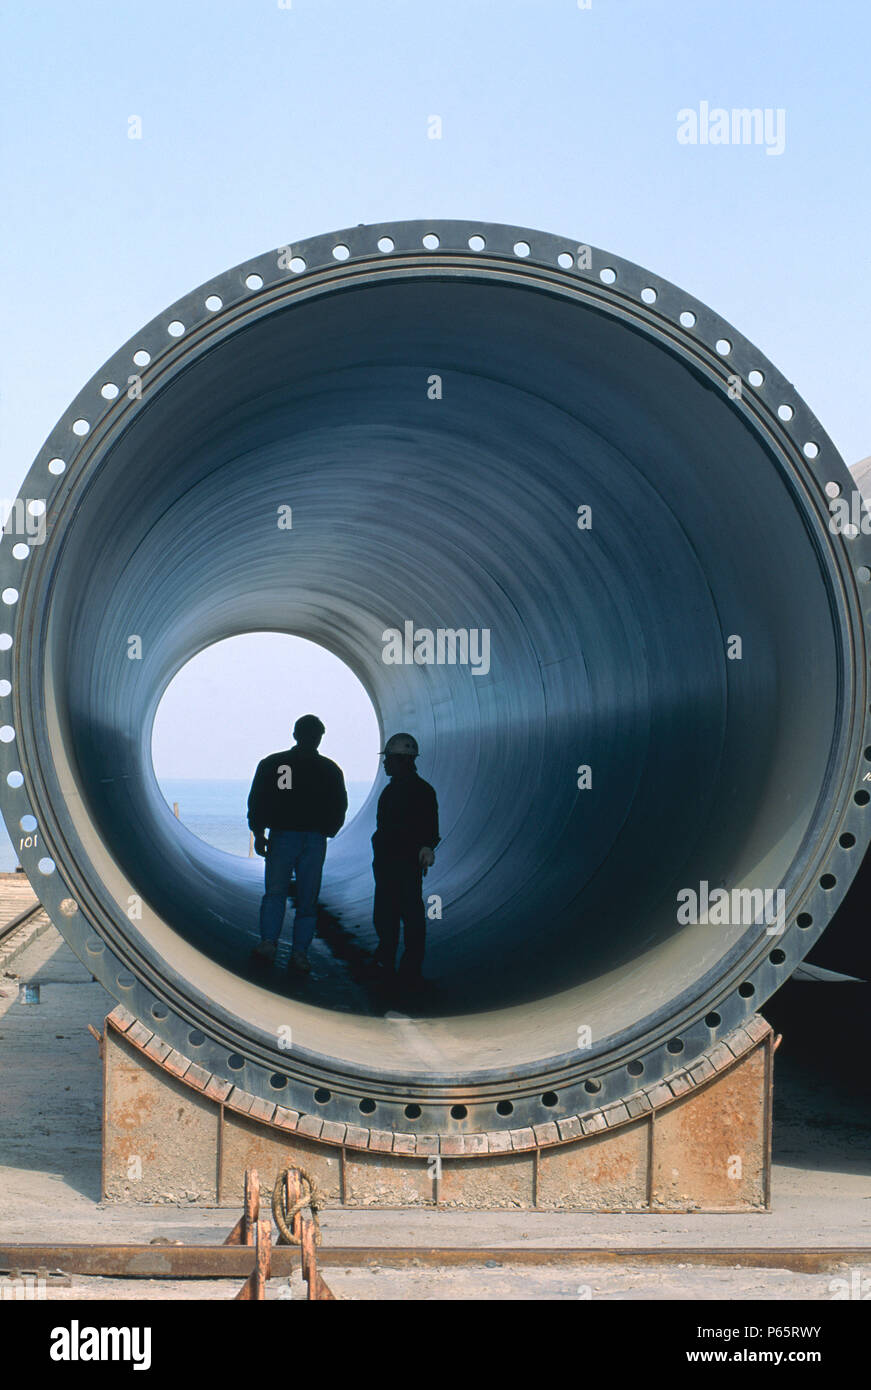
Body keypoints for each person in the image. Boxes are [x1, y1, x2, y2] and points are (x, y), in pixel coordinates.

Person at [247, 714, 347, 972]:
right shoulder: (329, 769)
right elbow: (339, 805)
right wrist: (328, 830)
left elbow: (259, 799)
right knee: (307, 900)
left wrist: (259, 833)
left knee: (275, 893)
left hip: (284, 836)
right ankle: (299, 953)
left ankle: (269, 943)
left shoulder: (276, 764)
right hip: (313, 839)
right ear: (319, 737)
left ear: (295, 734)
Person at [371, 732, 439, 983]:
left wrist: (424, 847)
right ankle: (405, 966)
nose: (385, 763)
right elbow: (431, 829)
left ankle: (393, 963)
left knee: (395, 914)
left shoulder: (403, 792)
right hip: (399, 863)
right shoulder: (418, 790)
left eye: (388, 758)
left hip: (398, 863)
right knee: (402, 915)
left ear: (401, 759)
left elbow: (427, 828)